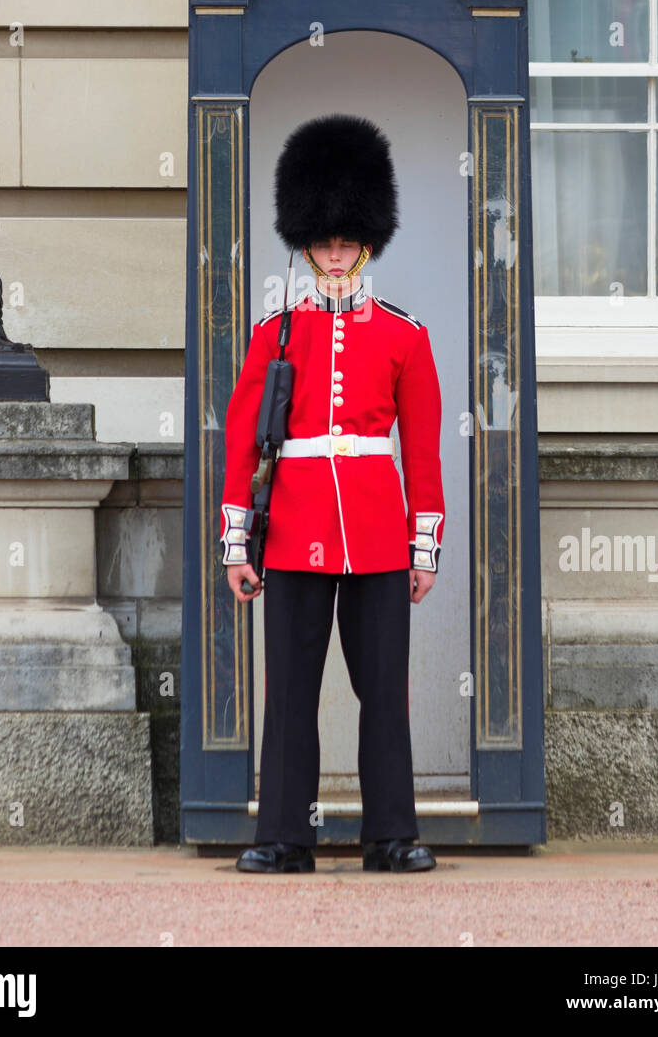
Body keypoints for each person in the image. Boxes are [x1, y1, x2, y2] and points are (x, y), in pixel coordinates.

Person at [219, 114, 445, 873]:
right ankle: (285, 836)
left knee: (384, 692)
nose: (337, 253)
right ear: (308, 245)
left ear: (367, 242)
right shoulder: (273, 333)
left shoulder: (404, 337)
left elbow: (421, 451)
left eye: (347, 241)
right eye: (324, 242)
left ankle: (392, 835)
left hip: (379, 535)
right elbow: (244, 442)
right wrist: (237, 540)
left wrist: (424, 546)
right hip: (292, 531)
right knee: (289, 695)